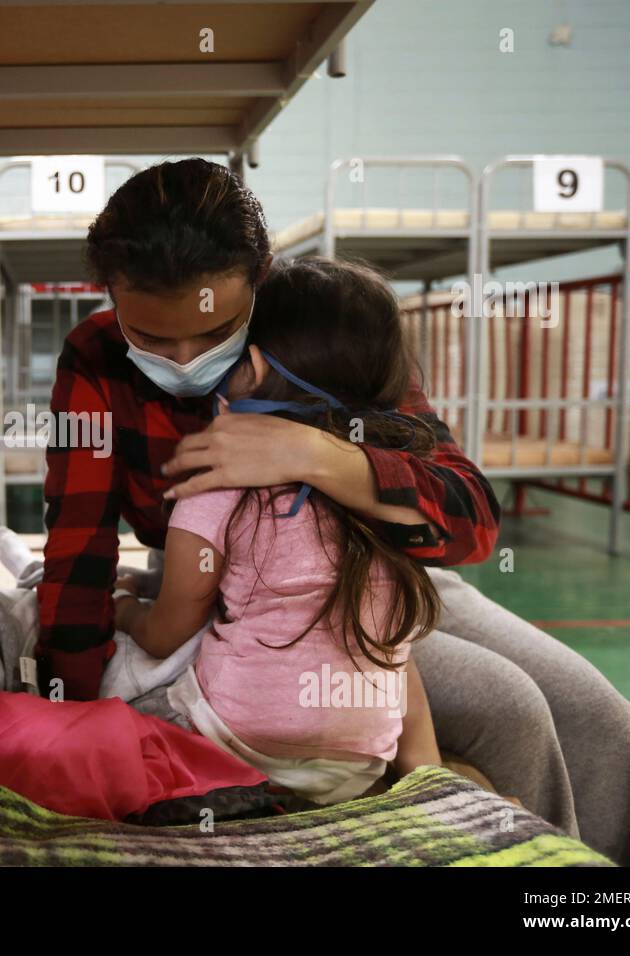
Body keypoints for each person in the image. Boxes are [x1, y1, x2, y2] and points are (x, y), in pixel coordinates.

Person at [38, 157, 630, 865]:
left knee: (597, 715)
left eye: (216, 336)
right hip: (223, 596)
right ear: (112, 299)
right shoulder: (93, 359)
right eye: (153, 339)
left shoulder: (320, 326)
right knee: (510, 708)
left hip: (378, 574)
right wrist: (71, 718)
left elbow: (469, 517)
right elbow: (79, 549)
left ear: (262, 280)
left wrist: (312, 455)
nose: (186, 360)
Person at [111, 257, 444, 805]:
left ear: (254, 366)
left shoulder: (219, 479)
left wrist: (124, 607)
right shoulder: (395, 488)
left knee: (129, 682)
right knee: (386, 637)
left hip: (237, 743)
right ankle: (427, 780)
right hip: (360, 761)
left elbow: (166, 631)